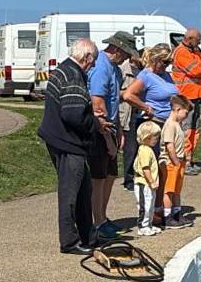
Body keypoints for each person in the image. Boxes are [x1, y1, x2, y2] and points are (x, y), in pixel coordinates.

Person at [40, 37, 103, 253]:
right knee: (71, 194)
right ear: (86, 57)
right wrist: (95, 122)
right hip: (68, 143)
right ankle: (69, 241)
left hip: (59, 139)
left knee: (84, 190)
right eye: (93, 60)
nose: (93, 64)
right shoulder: (74, 75)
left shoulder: (62, 69)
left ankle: (88, 237)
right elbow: (73, 114)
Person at [89, 31, 138, 240]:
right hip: (100, 129)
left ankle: (103, 216)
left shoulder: (114, 69)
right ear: (117, 50)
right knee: (99, 177)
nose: (127, 58)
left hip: (111, 126)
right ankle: (97, 221)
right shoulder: (101, 67)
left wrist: (118, 129)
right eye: (126, 53)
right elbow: (98, 103)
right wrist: (108, 137)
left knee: (110, 175)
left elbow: (112, 98)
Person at [170, 28, 201, 175]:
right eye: (198, 40)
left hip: (196, 95)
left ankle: (189, 160)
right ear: (189, 39)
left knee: (195, 130)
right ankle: (183, 162)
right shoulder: (181, 52)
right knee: (186, 131)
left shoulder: (196, 51)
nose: (199, 43)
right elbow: (195, 71)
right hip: (185, 97)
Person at [159, 94, 194, 228]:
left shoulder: (177, 125)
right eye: (186, 113)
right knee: (169, 190)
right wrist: (175, 160)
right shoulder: (170, 125)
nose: (186, 116)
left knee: (177, 190)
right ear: (178, 109)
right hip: (170, 162)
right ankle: (167, 217)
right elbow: (169, 145)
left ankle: (177, 213)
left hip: (179, 161)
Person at [132, 120, 162, 236]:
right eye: (155, 136)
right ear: (147, 137)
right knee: (145, 205)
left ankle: (149, 224)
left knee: (151, 204)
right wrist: (151, 181)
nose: (157, 139)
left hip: (149, 184)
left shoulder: (148, 150)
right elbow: (145, 168)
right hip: (144, 183)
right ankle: (143, 226)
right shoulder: (144, 150)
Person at [118, 51, 142, 192]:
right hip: (127, 112)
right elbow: (116, 92)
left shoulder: (143, 71)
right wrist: (130, 92)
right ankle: (128, 179)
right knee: (130, 148)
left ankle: (139, 175)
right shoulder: (123, 70)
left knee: (140, 147)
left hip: (140, 111)